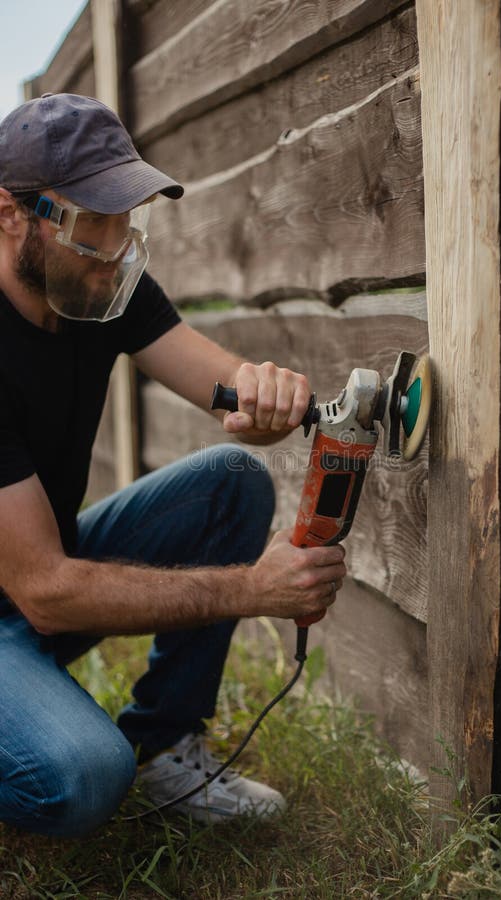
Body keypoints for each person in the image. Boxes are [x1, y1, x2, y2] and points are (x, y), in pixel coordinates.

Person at [0, 93, 346, 836]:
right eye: (93, 222)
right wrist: (252, 589)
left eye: (127, 218)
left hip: (32, 584)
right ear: (10, 214)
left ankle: (163, 746)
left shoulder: (93, 284)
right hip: (30, 587)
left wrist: (265, 398)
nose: (115, 247)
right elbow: (46, 593)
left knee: (229, 482)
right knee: (86, 775)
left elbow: (229, 396)